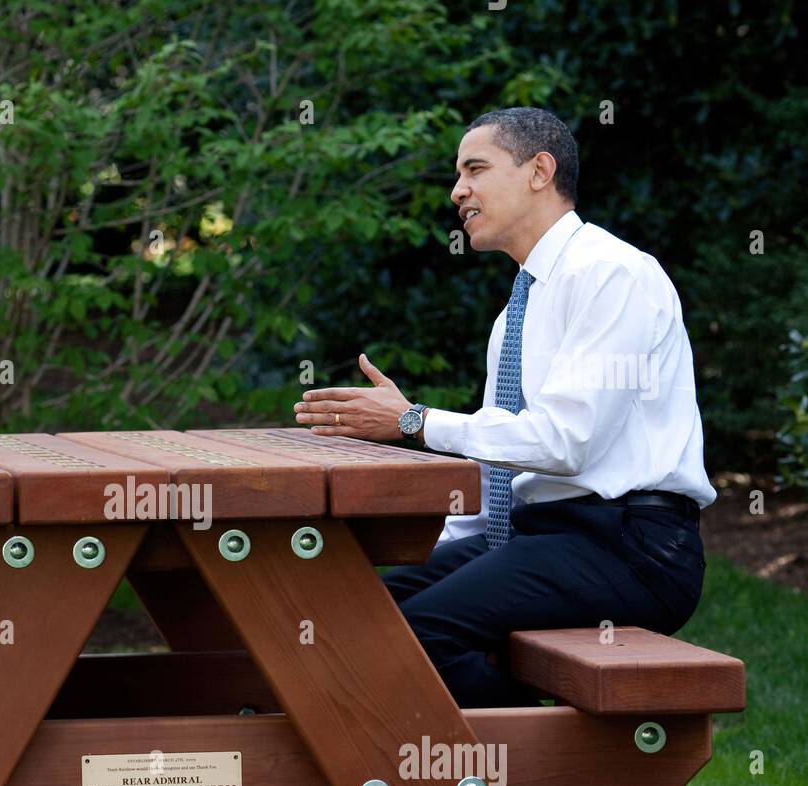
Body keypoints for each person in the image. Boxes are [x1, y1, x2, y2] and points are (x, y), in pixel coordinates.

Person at [293, 107, 715, 709]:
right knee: (362, 618)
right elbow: (504, 472)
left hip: (633, 546)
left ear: (540, 170)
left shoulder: (611, 274)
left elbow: (565, 444)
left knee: (416, 636)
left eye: (476, 169)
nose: (457, 190)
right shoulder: (515, 313)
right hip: (541, 537)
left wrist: (415, 422)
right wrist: (434, 550)